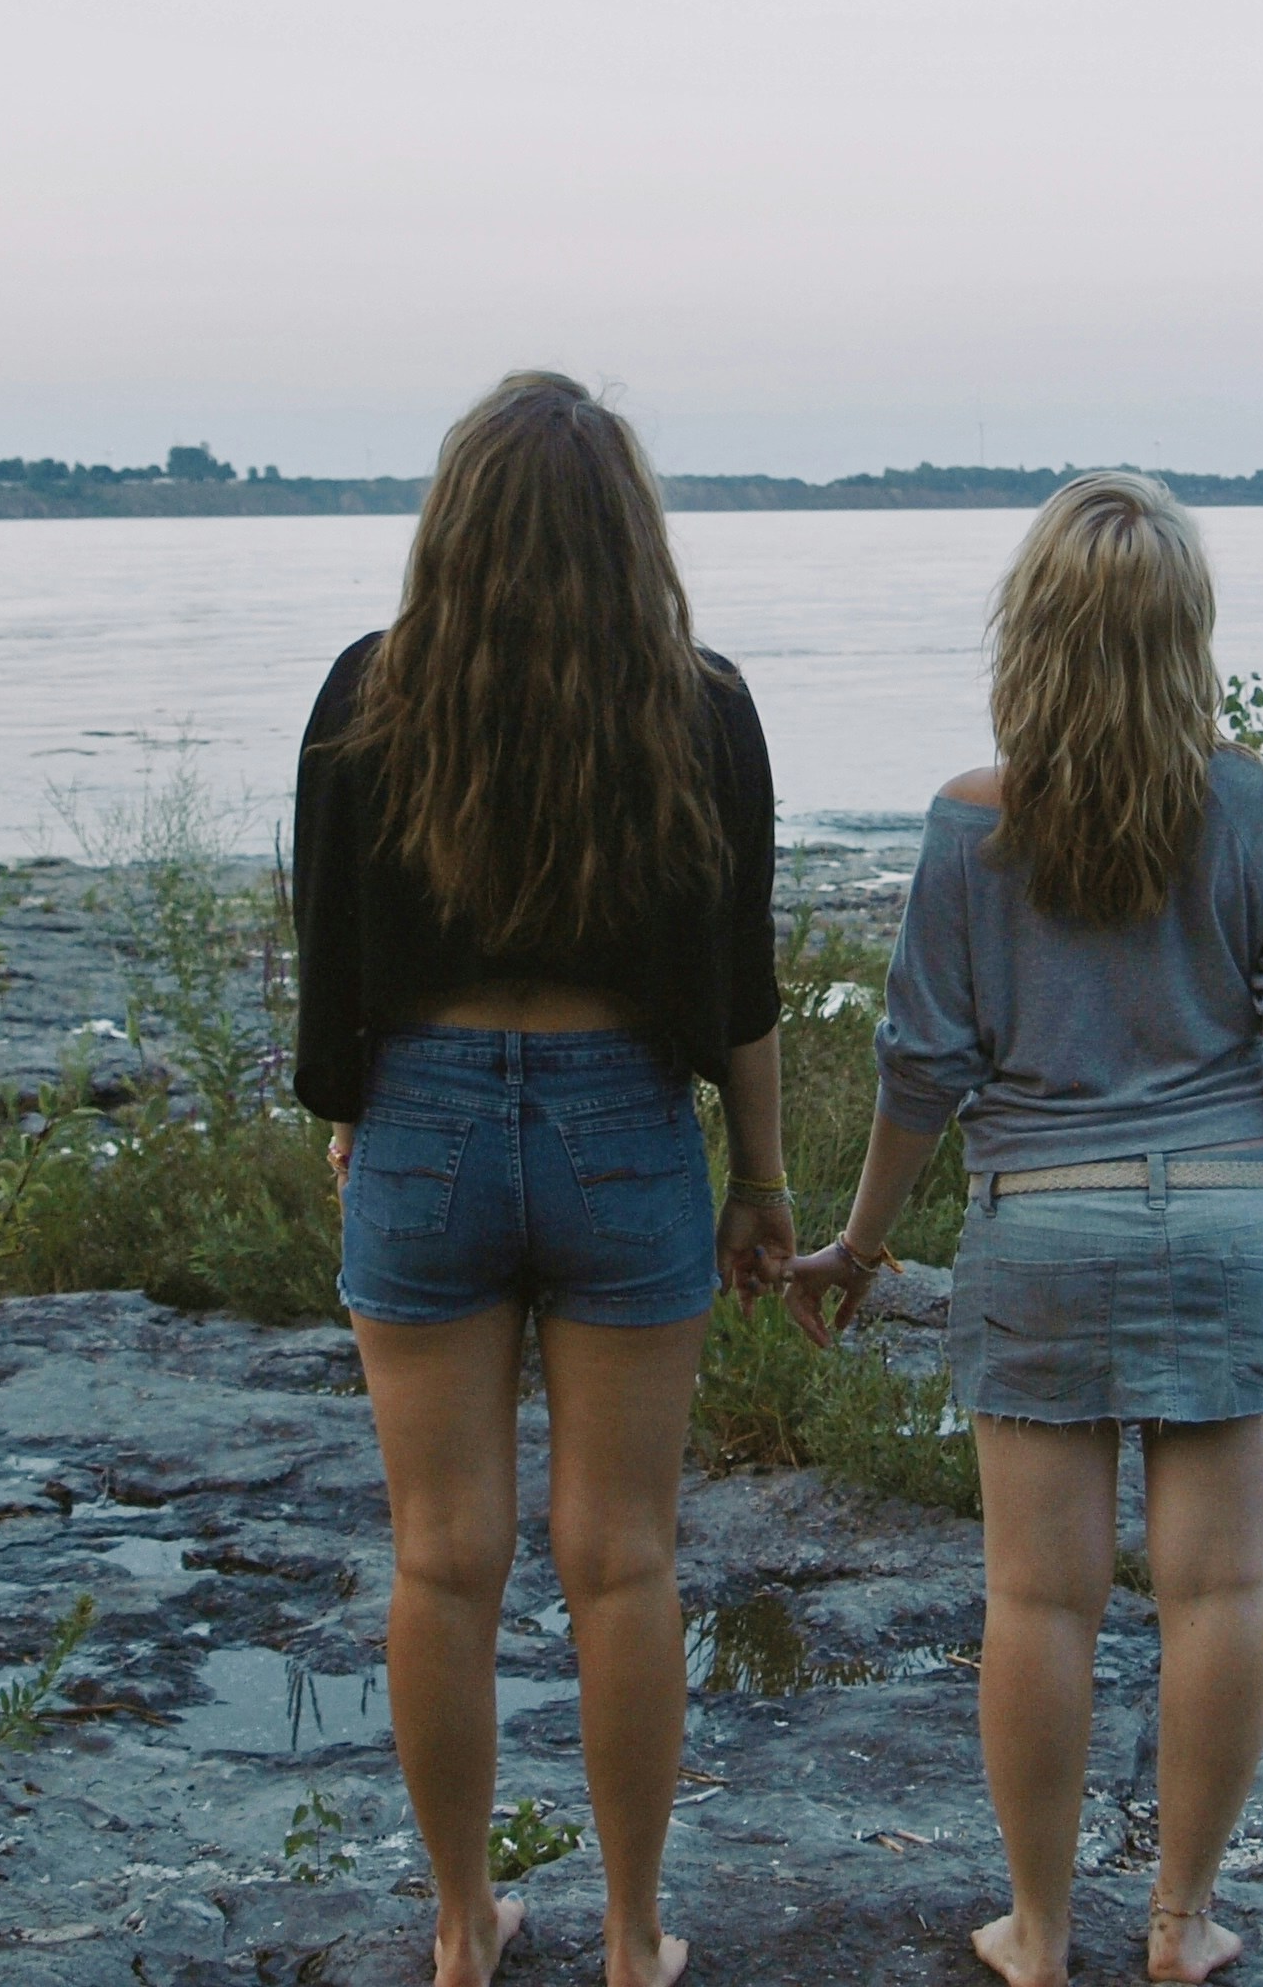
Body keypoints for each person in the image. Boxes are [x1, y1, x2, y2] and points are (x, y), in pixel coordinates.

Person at [786, 471, 1263, 1987]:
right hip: (1227, 1232)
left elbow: (920, 1071)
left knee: (1036, 1599)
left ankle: (1043, 1931)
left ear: (1036, 634)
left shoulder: (969, 827)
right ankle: (1183, 1923)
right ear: (1191, 634)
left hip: (1041, 1238)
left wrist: (859, 1251)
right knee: (1221, 1592)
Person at [293, 372, 793, 1987]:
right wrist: (763, 1181)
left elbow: (331, 959)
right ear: (625, 531)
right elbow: (737, 990)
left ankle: (459, 1930)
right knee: (624, 1558)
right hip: (624, 1121)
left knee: (444, 1555)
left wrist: (354, 1112)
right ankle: (635, 1940)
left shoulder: (370, 696)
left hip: (424, 1115)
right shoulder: (698, 706)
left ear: (456, 531)